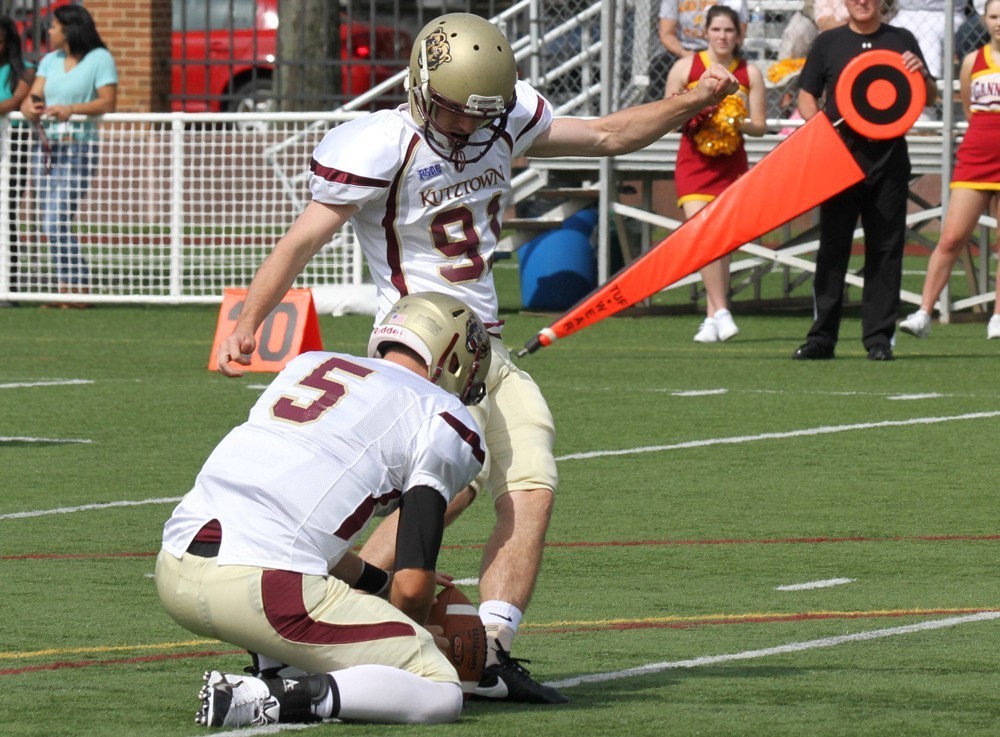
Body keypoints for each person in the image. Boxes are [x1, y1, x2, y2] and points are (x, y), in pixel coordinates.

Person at [215, 12, 739, 704]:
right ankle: (314, 619)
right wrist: (247, 322)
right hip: (418, 339)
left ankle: (489, 648)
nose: (467, 129)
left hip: (482, 340)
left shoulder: (505, 116)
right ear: (422, 89)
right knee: (441, 493)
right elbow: (301, 239)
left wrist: (691, 101)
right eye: (456, 112)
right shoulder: (381, 144)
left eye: (479, 115)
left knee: (531, 473)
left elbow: (609, 134)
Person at [158, 292, 491, 728]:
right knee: (438, 691)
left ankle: (279, 668)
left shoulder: (308, 365)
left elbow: (297, 518)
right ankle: (273, 697)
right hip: (264, 589)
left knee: (301, 553)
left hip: (176, 566)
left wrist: (376, 584)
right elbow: (412, 589)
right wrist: (414, 636)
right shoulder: (444, 415)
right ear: (452, 359)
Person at [791, 0, 936, 362]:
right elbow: (807, 95)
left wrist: (921, 76)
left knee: (885, 249)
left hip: (888, 160)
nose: (861, 1)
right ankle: (821, 338)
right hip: (838, 160)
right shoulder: (828, 42)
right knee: (832, 247)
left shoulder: (902, 38)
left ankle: (878, 339)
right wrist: (820, 132)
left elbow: (928, 96)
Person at [899, 0, 1000, 340]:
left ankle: (998, 317)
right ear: (984, 20)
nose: (999, 23)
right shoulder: (973, 61)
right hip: (976, 157)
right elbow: (971, 110)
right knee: (952, 236)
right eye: (994, 16)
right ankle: (924, 312)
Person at [665, 5, 766, 342]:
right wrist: (697, 114)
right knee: (702, 233)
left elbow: (761, 126)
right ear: (705, 32)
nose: (722, 36)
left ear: (738, 36)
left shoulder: (751, 72)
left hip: (731, 164)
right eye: (717, 30)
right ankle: (722, 310)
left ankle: (712, 317)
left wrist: (736, 120)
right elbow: (667, 115)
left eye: (729, 31)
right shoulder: (685, 66)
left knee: (721, 242)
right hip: (694, 164)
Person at [19, 4, 116, 306]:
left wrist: (71, 109)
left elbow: (107, 102)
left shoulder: (100, 59)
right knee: (52, 220)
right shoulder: (49, 60)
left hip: (78, 148)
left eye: (54, 26)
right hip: (47, 148)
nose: (49, 31)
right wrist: (32, 107)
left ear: (70, 29)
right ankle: (66, 290)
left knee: (54, 219)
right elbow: (33, 97)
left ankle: (79, 286)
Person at [0, 16, 34, 301]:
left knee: (5, 212)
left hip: (13, 154)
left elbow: (13, 102)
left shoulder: (23, 72)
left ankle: (8, 282)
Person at [658, 0, 749, 65]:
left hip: (721, 50)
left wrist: (718, 55)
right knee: (659, 65)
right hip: (685, 49)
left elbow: (739, 32)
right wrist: (685, 54)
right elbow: (666, 34)